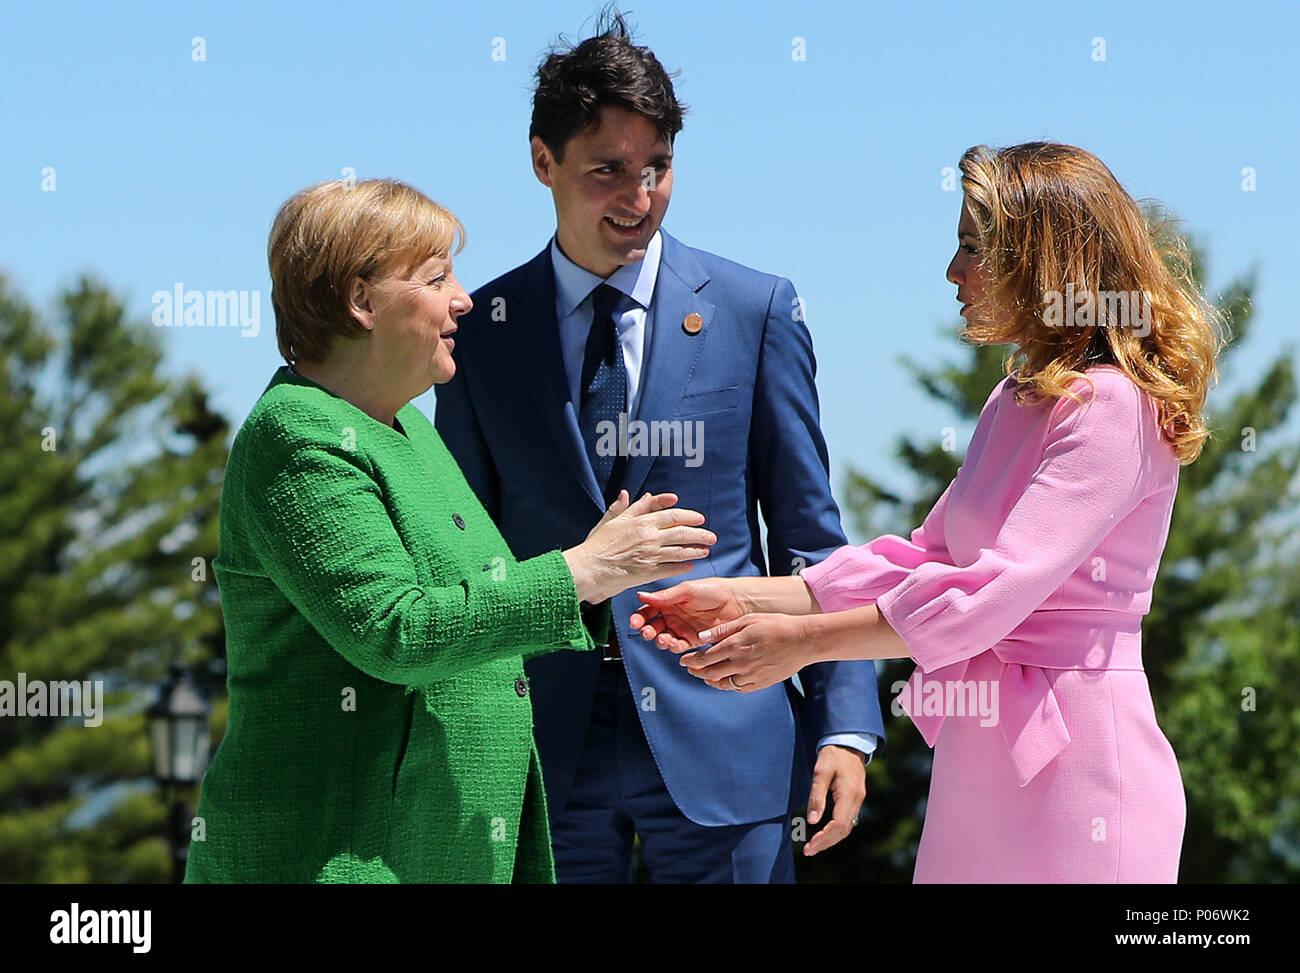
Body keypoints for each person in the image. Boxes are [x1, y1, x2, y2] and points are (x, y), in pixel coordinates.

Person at [633, 141, 1226, 883]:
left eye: (974, 247)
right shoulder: (1015, 400)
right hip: (981, 764)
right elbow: (923, 559)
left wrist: (802, 643)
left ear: (1046, 262)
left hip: (1080, 772)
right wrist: (742, 596)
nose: (954, 271)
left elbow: (990, 592)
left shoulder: (1111, 405)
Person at [434, 11, 883, 883]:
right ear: (542, 162)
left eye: (658, 169)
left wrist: (845, 724)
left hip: (730, 728)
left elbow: (811, 537)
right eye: (608, 170)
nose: (638, 198)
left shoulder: (758, 312)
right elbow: (465, 546)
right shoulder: (479, 332)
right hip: (537, 744)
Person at [184, 178, 714, 884]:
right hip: (338, 859)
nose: (463, 298)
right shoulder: (297, 436)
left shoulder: (407, 429)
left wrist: (612, 592)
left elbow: (476, 604)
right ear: (361, 301)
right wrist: (583, 569)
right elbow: (395, 630)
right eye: (437, 278)